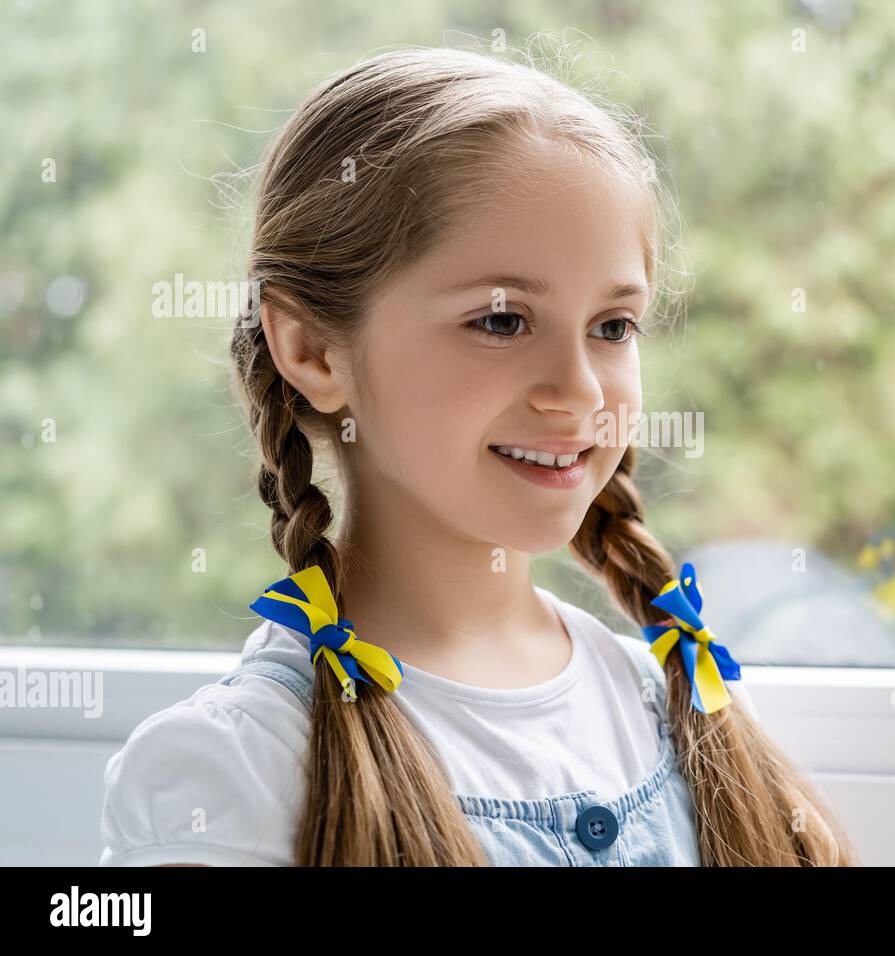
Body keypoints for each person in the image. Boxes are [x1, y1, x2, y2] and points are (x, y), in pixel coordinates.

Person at [99, 45, 853, 867]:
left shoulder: (665, 704)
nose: (579, 392)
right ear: (313, 349)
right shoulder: (241, 776)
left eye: (612, 327)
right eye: (501, 321)